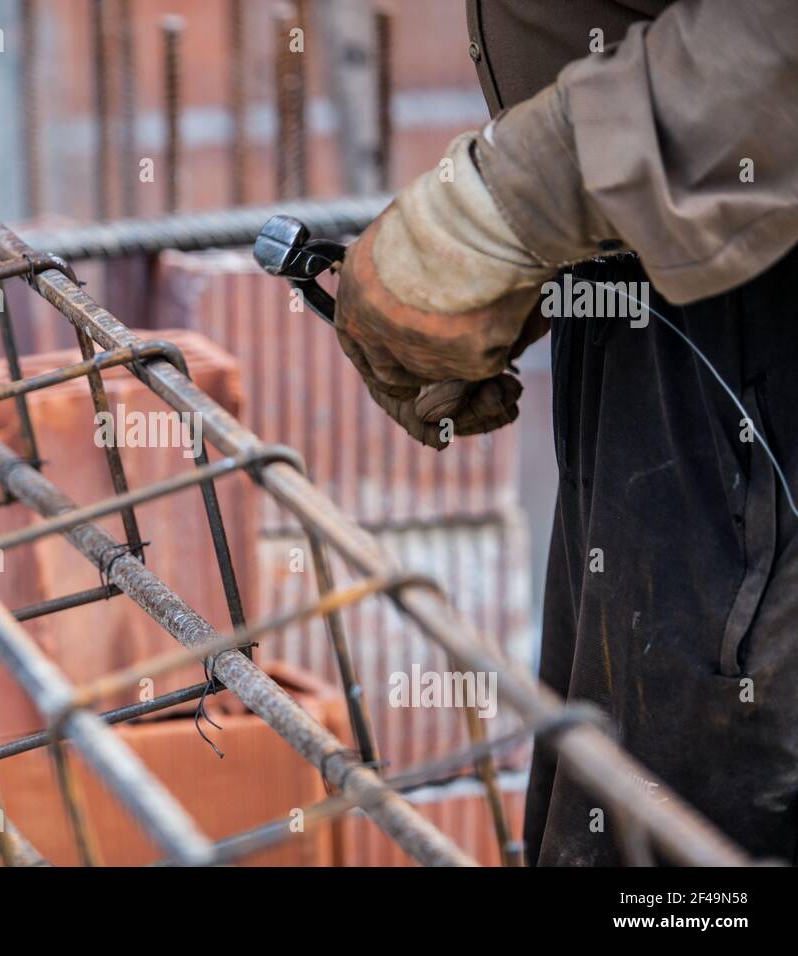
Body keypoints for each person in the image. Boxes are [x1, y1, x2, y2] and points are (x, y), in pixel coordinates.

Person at [333, 0, 798, 864]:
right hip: (677, 296)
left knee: (708, 842)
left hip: (766, 332)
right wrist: (551, 244)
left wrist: (517, 197)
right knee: (615, 801)